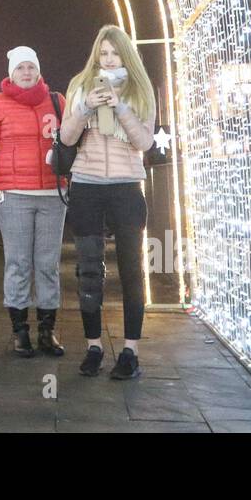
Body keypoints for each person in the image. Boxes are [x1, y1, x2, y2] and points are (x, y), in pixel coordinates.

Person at [57, 25, 156, 380]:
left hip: (127, 186)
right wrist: (85, 107)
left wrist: (122, 109)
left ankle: (131, 351)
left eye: (115, 53)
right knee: (88, 270)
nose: (109, 59)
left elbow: (144, 143)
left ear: (125, 55)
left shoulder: (141, 89)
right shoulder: (81, 85)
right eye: (103, 53)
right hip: (87, 184)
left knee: (132, 269)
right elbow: (66, 136)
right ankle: (93, 346)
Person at [0, 46, 67, 358]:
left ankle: (46, 330)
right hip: (13, 195)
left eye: (31, 67)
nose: (26, 72)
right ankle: (19, 330)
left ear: (39, 70)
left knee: (47, 264)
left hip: (53, 195)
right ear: (11, 73)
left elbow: (72, 141)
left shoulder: (57, 101)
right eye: (20, 68)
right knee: (18, 263)